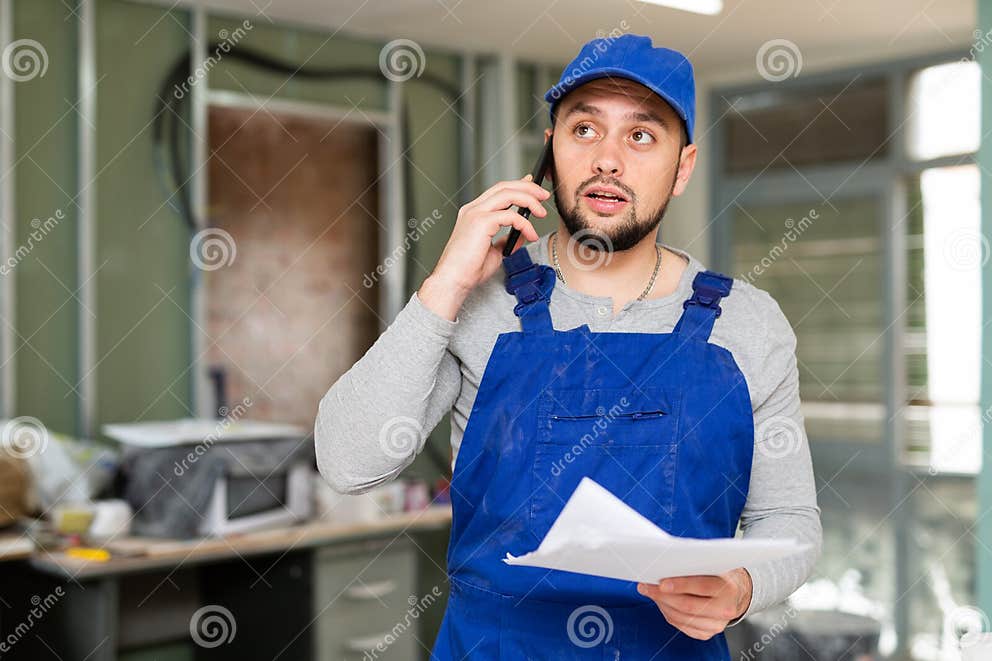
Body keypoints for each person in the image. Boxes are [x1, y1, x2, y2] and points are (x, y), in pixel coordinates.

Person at [315, 33, 821, 660]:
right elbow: (346, 463)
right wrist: (445, 285)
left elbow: (791, 522)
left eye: (641, 136)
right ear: (550, 150)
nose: (608, 159)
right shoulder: (479, 303)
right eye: (584, 130)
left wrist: (743, 588)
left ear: (683, 166)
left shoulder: (749, 323)